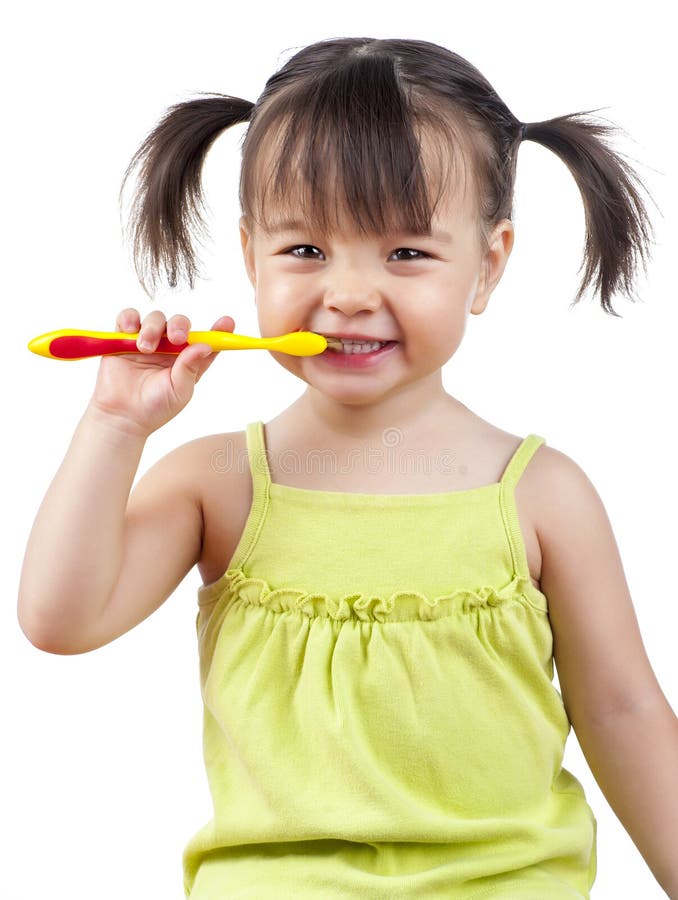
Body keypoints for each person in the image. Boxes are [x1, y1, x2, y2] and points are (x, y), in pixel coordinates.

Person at [18, 36, 678, 900]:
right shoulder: (216, 483)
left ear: (488, 263)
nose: (351, 293)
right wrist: (114, 424)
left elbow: (622, 712)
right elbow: (61, 620)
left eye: (405, 253)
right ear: (252, 256)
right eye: (305, 251)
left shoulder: (545, 495)